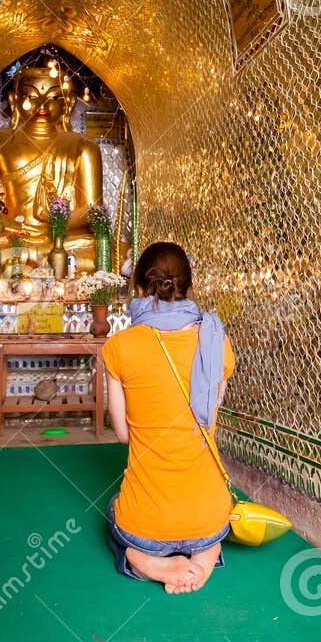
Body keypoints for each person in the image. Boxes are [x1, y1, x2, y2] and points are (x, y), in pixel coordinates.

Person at [101, 242, 235, 594]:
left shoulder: (120, 347)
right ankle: (204, 557)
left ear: (141, 289)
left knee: (114, 512)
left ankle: (146, 560)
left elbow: (123, 434)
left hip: (145, 523)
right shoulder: (217, 341)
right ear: (188, 286)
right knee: (210, 529)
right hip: (209, 517)